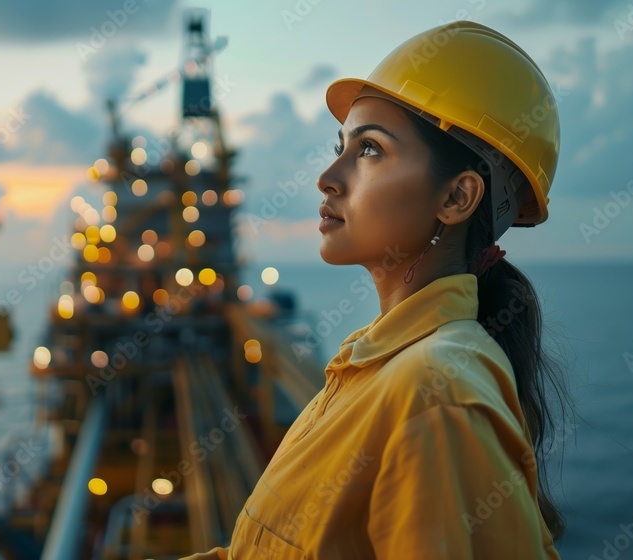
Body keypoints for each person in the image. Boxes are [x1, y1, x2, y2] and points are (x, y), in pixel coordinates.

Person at [181, 19, 571, 559]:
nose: (328, 175)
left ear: (458, 198)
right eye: (340, 145)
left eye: (369, 150)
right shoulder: (375, 366)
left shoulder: (435, 392)